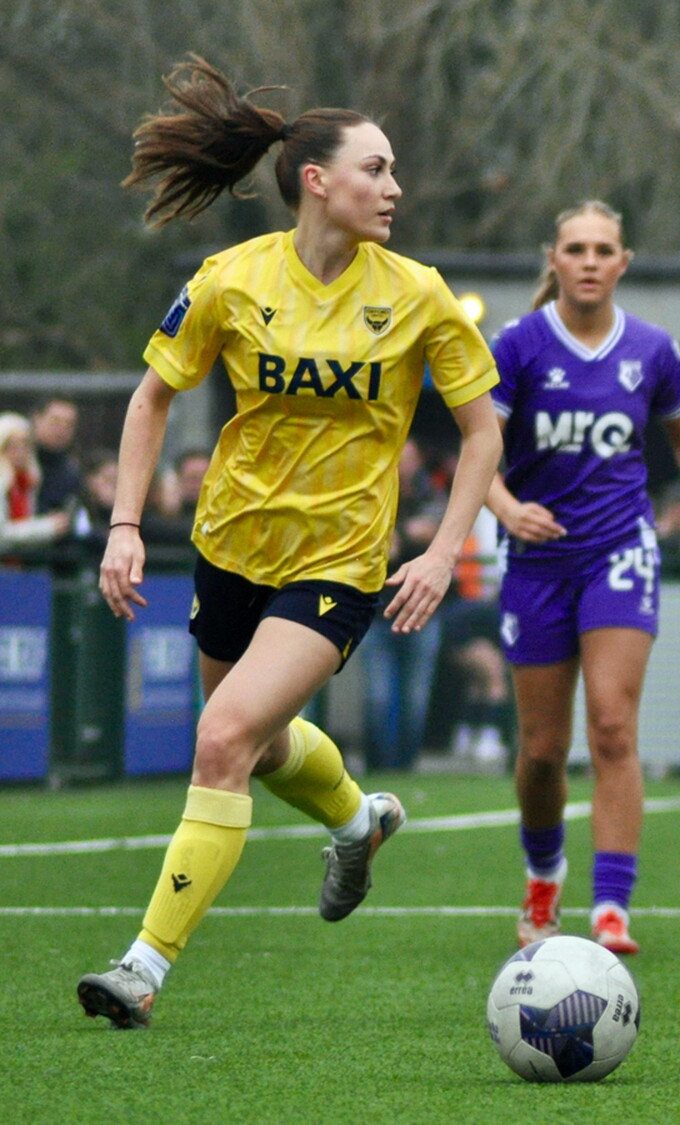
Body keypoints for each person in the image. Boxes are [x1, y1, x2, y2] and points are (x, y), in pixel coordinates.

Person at [78, 56, 502, 1029]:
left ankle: (143, 966)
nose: (395, 189)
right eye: (376, 169)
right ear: (317, 180)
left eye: (393, 171)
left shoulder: (419, 294)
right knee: (260, 742)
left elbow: (483, 434)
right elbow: (150, 400)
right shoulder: (232, 279)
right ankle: (358, 821)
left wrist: (440, 551)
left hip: (339, 563)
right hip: (229, 545)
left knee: (222, 737)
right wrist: (125, 525)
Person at [486, 200, 680, 955]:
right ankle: (543, 877)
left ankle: (612, 906)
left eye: (603, 249)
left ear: (624, 262)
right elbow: (478, 449)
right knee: (542, 749)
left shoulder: (652, 348)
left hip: (620, 551)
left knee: (613, 727)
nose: (589, 261)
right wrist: (507, 507)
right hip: (537, 561)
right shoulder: (518, 344)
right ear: (553, 259)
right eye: (576, 249)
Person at [0, 412, 72, 548]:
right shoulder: (3, 483)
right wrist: (47, 527)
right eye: (11, 446)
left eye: (25, 445)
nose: (20, 452)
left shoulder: (28, 481)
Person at [30, 396, 82, 514]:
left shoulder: (70, 472)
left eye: (69, 424)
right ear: (37, 418)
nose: (61, 430)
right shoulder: (14, 463)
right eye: (55, 422)